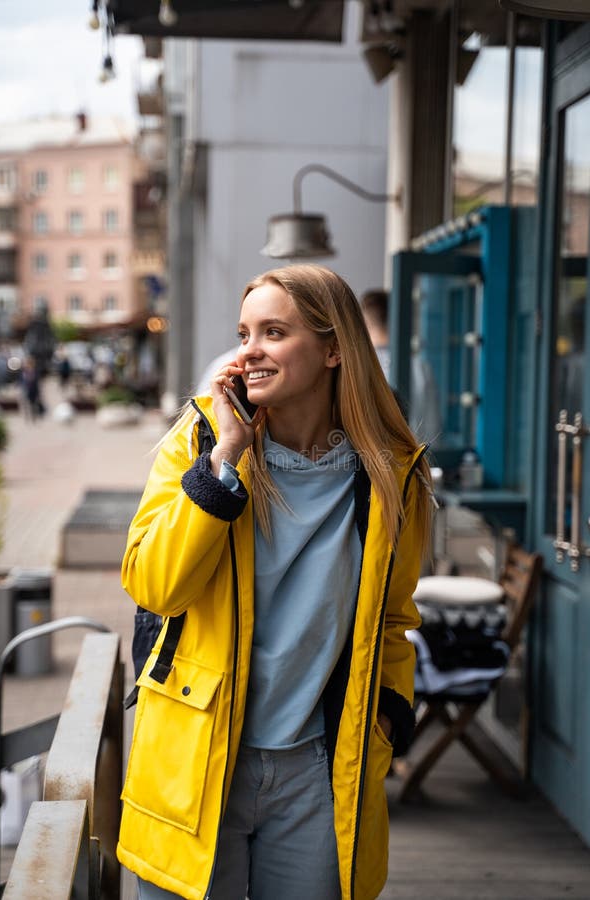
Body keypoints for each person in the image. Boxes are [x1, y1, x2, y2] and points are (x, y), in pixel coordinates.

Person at [118, 264, 433, 900]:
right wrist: (223, 464)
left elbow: (395, 617)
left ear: (334, 349)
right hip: (199, 757)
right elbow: (154, 585)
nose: (249, 350)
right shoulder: (202, 442)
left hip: (318, 767)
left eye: (274, 332)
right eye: (244, 333)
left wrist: (386, 723)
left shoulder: (389, 477)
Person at [360, 289, 441, 445]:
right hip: (413, 463)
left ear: (363, 322)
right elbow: (433, 430)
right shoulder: (421, 368)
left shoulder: (358, 368)